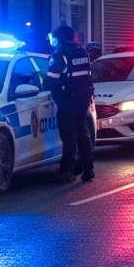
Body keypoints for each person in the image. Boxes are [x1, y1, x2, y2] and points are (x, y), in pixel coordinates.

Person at [45, 25, 94, 184]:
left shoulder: (60, 55)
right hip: (83, 97)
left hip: (67, 98)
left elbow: (51, 80)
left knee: (68, 135)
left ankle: (67, 171)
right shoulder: (82, 52)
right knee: (81, 131)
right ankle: (88, 169)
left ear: (60, 38)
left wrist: (38, 78)